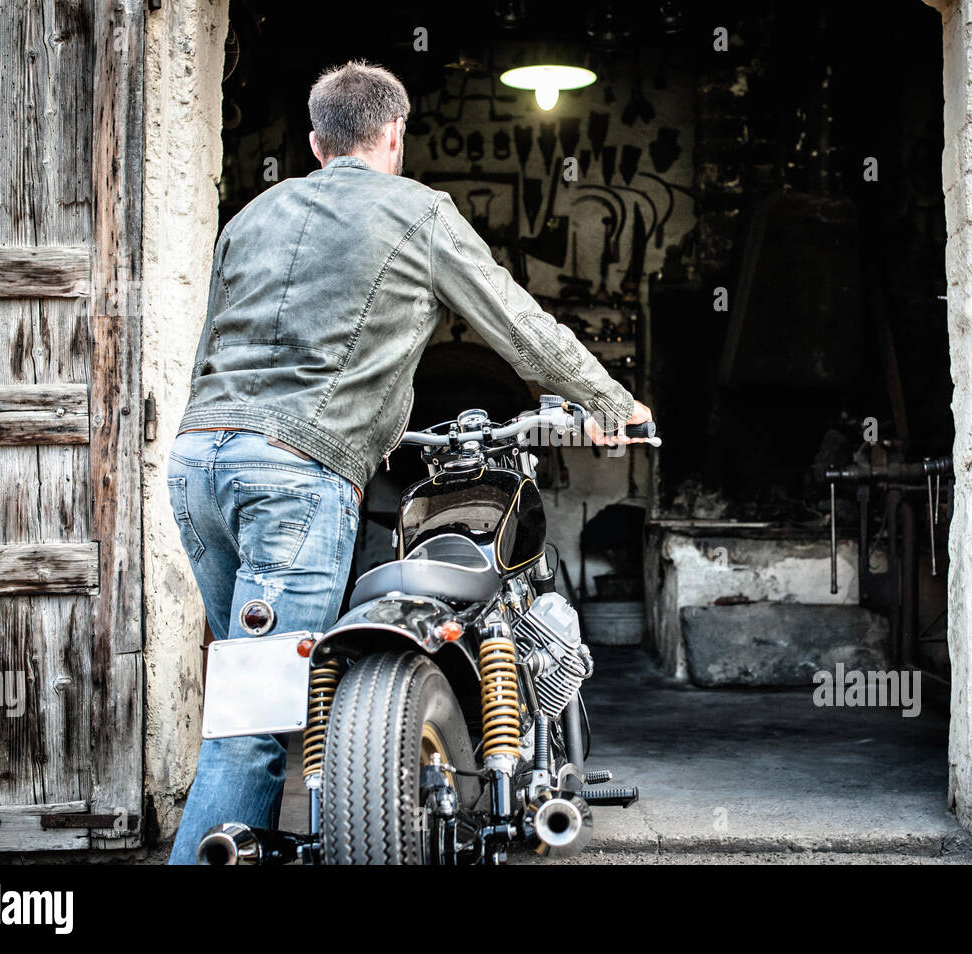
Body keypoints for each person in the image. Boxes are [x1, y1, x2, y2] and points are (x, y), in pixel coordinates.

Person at [164, 59, 652, 864]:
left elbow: (213, 351)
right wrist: (614, 406)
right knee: (256, 725)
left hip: (200, 466)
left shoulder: (250, 216)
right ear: (394, 134)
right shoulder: (419, 212)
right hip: (294, 474)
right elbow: (516, 324)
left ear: (318, 142)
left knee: (247, 703)